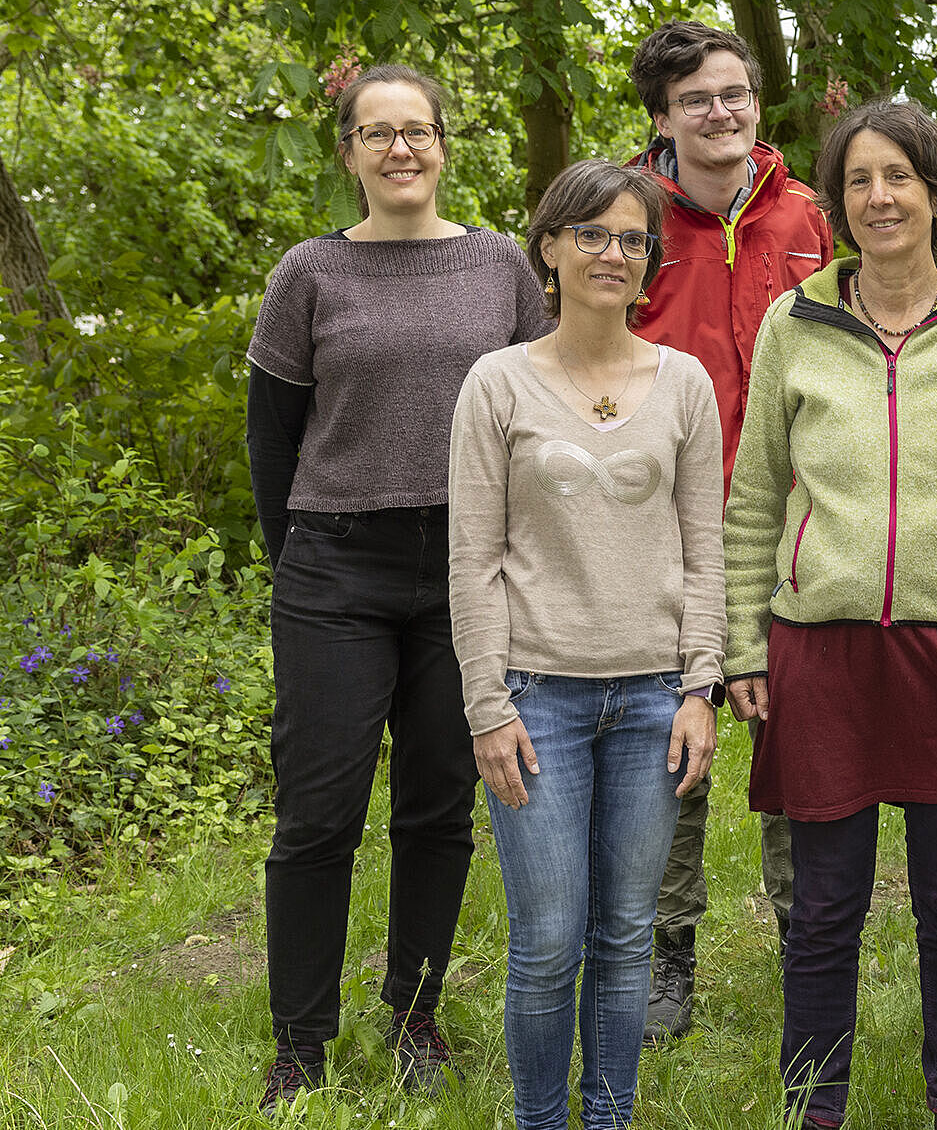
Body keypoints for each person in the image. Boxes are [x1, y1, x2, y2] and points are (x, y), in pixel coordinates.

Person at [722, 99, 937, 1130]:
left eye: (898, 177)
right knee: (822, 904)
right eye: (859, 180)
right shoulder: (794, 323)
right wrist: (743, 640)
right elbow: (752, 497)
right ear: (836, 203)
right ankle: (811, 1104)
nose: (879, 197)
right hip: (818, 647)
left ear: (935, 193)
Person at [245, 62, 547, 1111]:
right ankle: (300, 1040)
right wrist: (298, 558)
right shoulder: (308, 274)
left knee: (437, 805)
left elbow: (533, 417)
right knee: (318, 812)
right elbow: (272, 440)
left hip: (465, 568)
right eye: (377, 133)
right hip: (334, 566)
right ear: (349, 155)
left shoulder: (503, 265)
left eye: (416, 129)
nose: (400, 148)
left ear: (443, 145)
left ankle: (413, 1011)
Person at [448, 158, 727, 1130]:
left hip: (654, 698)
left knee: (622, 936)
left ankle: (605, 1117)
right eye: (593, 235)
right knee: (546, 941)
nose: (614, 253)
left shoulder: (685, 383)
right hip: (537, 703)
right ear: (550, 249)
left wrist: (701, 686)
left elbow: (706, 547)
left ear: (650, 260)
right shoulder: (495, 384)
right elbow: (471, 559)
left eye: (632, 239)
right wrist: (487, 706)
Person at [624, 21, 835, 1042]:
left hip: (792, 526)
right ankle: (668, 956)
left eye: (735, 94)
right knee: (675, 743)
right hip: (662, 527)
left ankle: (806, 941)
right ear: (661, 117)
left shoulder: (805, 214)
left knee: (793, 742)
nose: (722, 112)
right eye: (698, 99)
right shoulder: (622, 217)